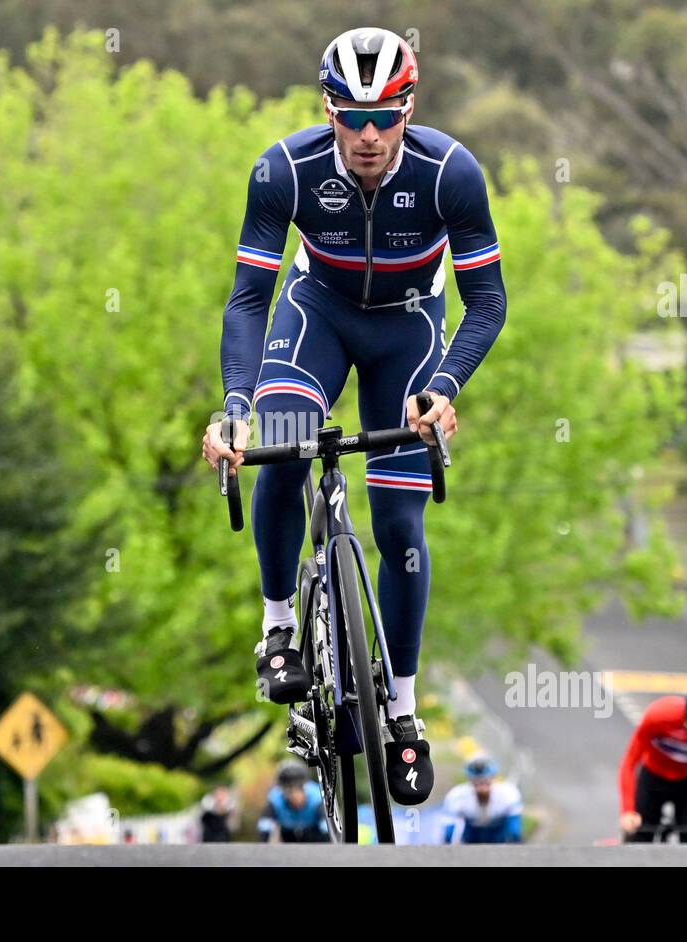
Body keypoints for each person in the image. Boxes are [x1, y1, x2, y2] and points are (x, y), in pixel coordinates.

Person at [202, 27, 507, 807]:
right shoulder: (285, 169)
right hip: (319, 315)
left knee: (402, 527)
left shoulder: (451, 173)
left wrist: (444, 385)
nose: (369, 135)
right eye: (351, 115)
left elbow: (488, 302)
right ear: (328, 109)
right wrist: (235, 409)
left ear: (409, 108)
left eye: (386, 115)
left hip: (410, 329)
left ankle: (401, 712)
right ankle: (277, 629)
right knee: (282, 444)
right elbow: (247, 299)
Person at [618, 677, 687, 843]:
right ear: (686, 716)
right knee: (639, 836)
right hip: (652, 778)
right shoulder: (658, 715)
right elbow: (629, 764)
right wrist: (627, 810)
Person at [441, 754, 524, 844]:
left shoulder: (508, 794)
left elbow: (515, 832)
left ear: (493, 778)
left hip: (498, 836)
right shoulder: (457, 796)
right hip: (471, 837)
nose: (481, 787)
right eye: (477, 783)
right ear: (470, 780)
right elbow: (448, 833)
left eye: (485, 782)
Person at [257, 761, 328, 843]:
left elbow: (327, 828)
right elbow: (264, 826)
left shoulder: (317, 796)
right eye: (288, 790)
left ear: (305, 786)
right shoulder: (275, 798)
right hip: (288, 834)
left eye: (298, 789)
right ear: (281, 789)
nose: (293, 795)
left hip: (314, 832)